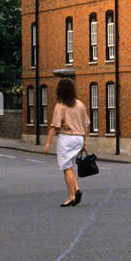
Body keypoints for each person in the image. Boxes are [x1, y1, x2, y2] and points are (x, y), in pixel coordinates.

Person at [44, 78, 88, 207]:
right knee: (69, 165)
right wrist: (84, 140)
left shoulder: (60, 106)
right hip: (79, 138)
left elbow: (55, 126)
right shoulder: (80, 104)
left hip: (66, 138)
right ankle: (77, 189)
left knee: (66, 167)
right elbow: (86, 124)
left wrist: (47, 143)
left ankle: (71, 196)